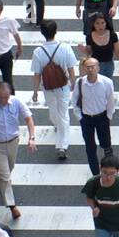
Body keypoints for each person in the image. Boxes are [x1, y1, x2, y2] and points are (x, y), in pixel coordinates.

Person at [0, 82, 36, 220]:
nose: (4, 100)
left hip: (13, 142)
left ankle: (3, 185)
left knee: (9, 167)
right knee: (5, 176)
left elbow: (29, 119)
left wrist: (32, 137)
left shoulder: (16, 102)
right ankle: (12, 206)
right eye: (1, 97)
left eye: (6, 97)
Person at [30, 20, 77, 161]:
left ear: (42, 33)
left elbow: (37, 74)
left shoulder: (38, 52)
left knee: (53, 110)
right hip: (63, 86)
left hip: (47, 87)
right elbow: (71, 69)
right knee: (64, 114)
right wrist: (74, 84)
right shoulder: (65, 48)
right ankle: (61, 146)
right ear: (55, 31)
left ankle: (57, 126)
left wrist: (35, 92)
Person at [72, 57, 116, 177]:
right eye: (88, 67)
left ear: (98, 68)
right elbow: (74, 100)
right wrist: (79, 117)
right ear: (84, 69)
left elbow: (111, 101)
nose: (91, 69)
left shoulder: (106, 82)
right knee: (90, 148)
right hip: (86, 119)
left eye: (93, 67)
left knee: (106, 145)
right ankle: (96, 175)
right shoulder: (80, 82)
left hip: (102, 117)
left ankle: (110, 170)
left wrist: (109, 116)